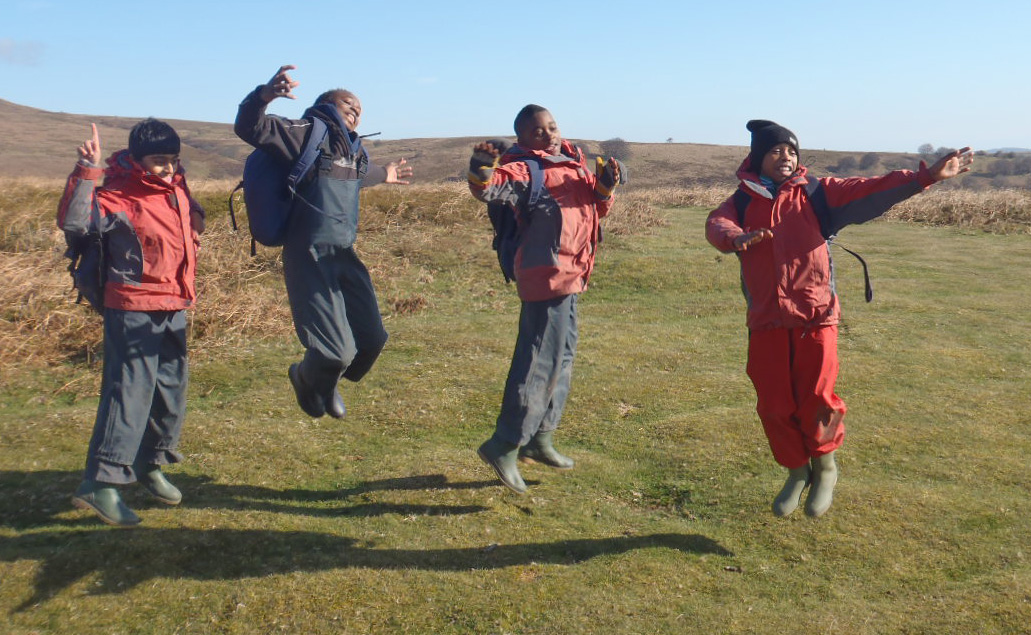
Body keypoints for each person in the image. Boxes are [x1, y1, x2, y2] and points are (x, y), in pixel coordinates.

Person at [706, 119, 972, 517]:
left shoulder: (817, 193)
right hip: (766, 320)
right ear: (758, 158)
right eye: (776, 150)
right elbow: (717, 223)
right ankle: (797, 471)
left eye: (791, 151)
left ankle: (825, 465)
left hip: (815, 316)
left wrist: (925, 177)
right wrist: (734, 238)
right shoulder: (742, 201)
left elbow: (871, 189)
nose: (786, 157)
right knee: (774, 405)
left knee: (817, 398)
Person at [234, 65, 413, 420]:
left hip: (344, 254)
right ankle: (305, 376)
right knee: (334, 350)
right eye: (348, 103)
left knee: (372, 339)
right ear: (325, 104)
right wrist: (264, 96)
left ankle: (325, 382)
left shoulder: (353, 151)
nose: (356, 110)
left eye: (360, 109)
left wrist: (387, 174)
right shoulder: (305, 134)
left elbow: (362, 177)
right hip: (309, 255)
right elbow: (250, 127)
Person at [468, 104, 625, 494]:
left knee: (562, 359)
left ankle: (540, 439)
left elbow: (596, 209)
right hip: (545, 277)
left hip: (572, 277)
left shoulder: (572, 164)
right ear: (521, 138)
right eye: (538, 131)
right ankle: (503, 444)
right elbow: (488, 188)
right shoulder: (525, 169)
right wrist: (480, 166)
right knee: (539, 362)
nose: (548, 134)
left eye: (551, 127)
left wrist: (605, 184)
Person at [59, 119, 206, 526]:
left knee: (170, 390)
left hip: (173, 302)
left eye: (173, 160)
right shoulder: (116, 193)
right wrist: (87, 171)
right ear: (138, 159)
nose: (168, 168)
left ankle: (148, 462)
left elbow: (189, 225)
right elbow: (75, 223)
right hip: (132, 305)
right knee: (130, 393)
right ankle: (100, 483)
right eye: (159, 160)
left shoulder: (176, 188)